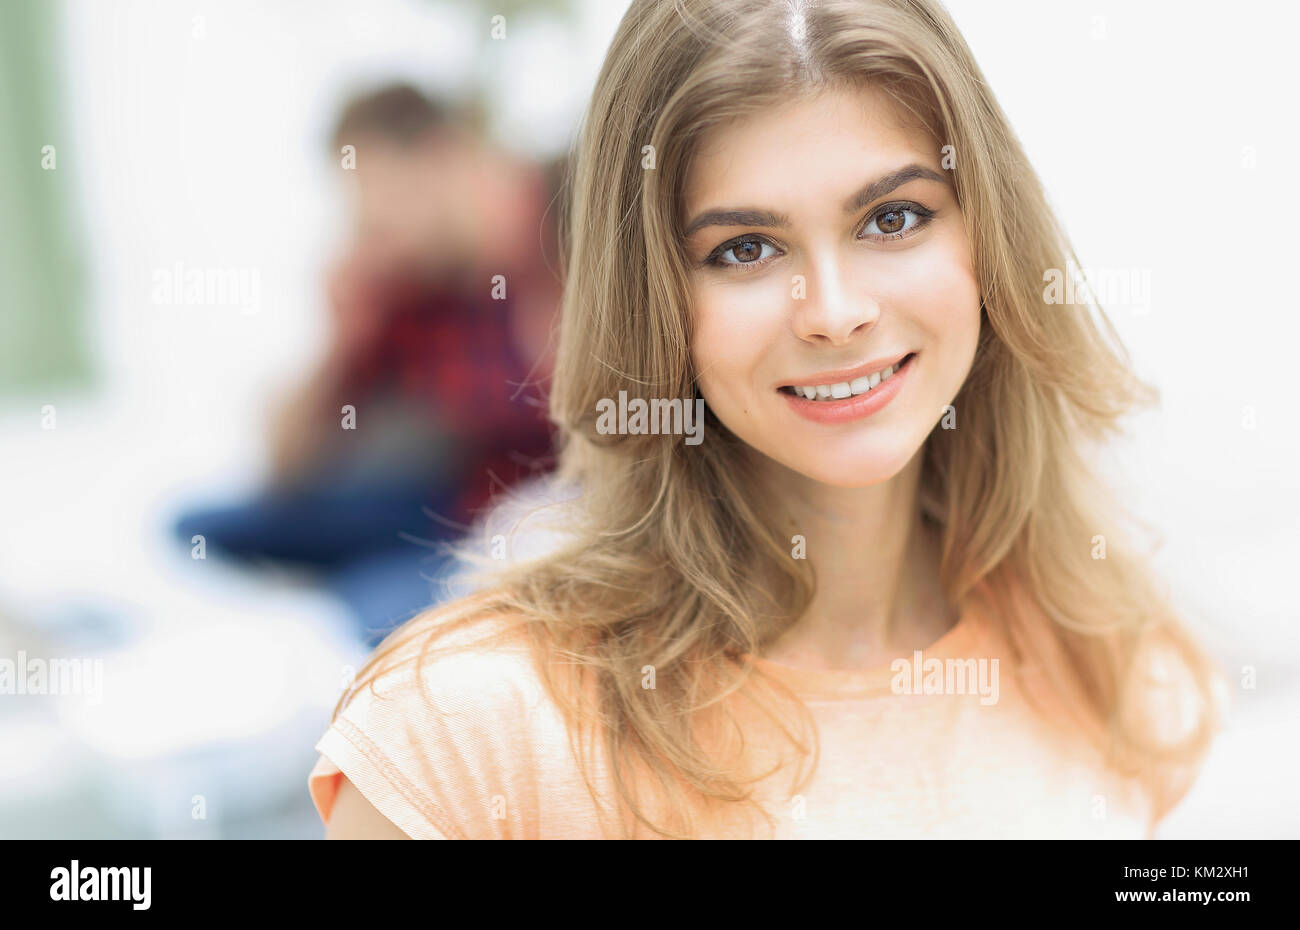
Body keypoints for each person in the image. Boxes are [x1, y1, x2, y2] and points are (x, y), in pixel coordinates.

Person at [308, 0, 1227, 839]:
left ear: (988, 237)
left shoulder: (1121, 671)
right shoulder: (460, 733)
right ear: (654, 298)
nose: (833, 310)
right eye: (744, 248)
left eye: (894, 218)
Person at [173, 85, 559, 646]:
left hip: (530, 512)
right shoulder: (397, 281)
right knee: (200, 524)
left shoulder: (553, 232)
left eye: (382, 192)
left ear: (445, 159)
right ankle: (380, 584)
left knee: (378, 613)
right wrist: (341, 338)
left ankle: (389, 595)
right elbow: (283, 470)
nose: (370, 219)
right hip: (443, 503)